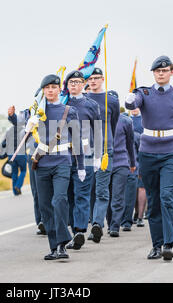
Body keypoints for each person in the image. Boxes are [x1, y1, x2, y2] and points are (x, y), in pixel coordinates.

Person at [125, 56, 173, 261]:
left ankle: (168, 243)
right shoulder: (144, 92)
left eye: (165, 70)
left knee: (167, 197)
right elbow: (134, 102)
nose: (161, 73)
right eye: (157, 71)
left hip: (171, 151)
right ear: (153, 73)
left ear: (171, 72)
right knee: (153, 201)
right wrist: (129, 100)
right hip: (148, 152)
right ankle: (156, 244)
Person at [25, 74, 85, 261]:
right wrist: (29, 123)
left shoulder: (69, 111)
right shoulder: (35, 112)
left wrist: (81, 166)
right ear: (43, 91)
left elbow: (76, 140)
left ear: (60, 89)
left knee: (59, 200)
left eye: (54, 87)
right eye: (47, 87)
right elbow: (24, 131)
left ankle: (62, 243)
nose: (50, 90)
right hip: (42, 163)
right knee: (45, 207)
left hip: (62, 162)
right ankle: (54, 246)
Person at [63, 71, 102, 250]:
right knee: (68, 196)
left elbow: (98, 131)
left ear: (83, 84)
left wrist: (97, 156)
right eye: (71, 82)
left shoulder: (91, 105)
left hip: (85, 155)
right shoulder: (62, 102)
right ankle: (72, 230)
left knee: (82, 194)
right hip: (64, 156)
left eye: (78, 82)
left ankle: (79, 230)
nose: (74, 85)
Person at [86, 68, 120, 244]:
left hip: (105, 149)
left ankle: (97, 224)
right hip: (86, 150)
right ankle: (92, 221)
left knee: (101, 189)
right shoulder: (83, 99)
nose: (93, 81)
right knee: (89, 189)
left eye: (96, 78)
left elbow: (114, 122)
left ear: (102, 79)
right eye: (90, 78)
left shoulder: (111, 100)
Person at [8, 105, 45, 235]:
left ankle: (52, 220)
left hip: (51, 156)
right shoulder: (30, 112)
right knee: (36, 191)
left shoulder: (56, 108)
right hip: (33, 156)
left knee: (49, 191)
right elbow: (18, 122)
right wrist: (12, 116)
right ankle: (41, 222)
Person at [109, 106, 136, 237]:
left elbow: (130, 143)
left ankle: (115, 225)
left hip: (121, 163)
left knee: (118, 196)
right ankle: (110, 223)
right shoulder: (102, 120)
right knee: (105, 196)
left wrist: (132, 162)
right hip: (105, 163)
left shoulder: (126, 121)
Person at [129, 108, 147, 225]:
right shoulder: (127, 119)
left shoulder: (144, 120)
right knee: (133, 188)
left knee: (141, 186)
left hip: (143, 153)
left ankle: (140, 215)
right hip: (131, 156)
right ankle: (135, 213)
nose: (134, 109)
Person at [6, 106, 27, 196]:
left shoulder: (9, 131)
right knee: (23, 171)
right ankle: (18, 186)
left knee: (14, 172)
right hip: (21, 154)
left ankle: (15, 191)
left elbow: (4, 143)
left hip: (11, 154)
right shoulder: (24, 130)